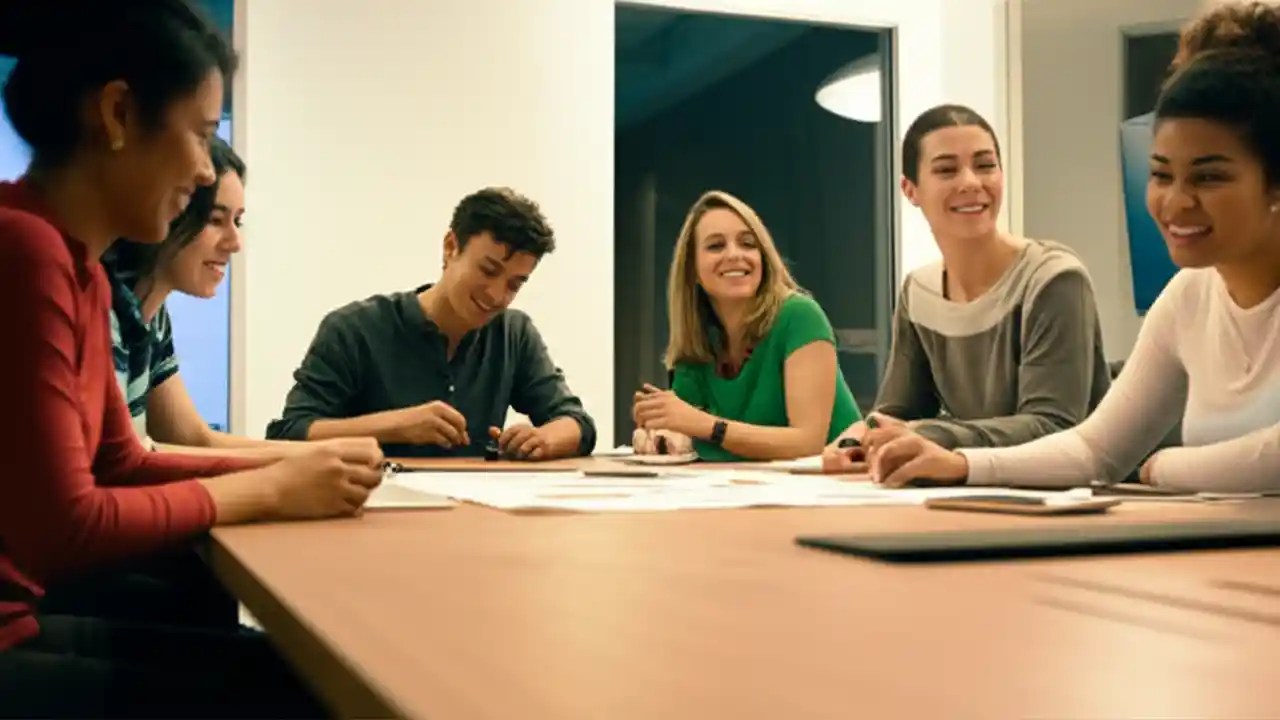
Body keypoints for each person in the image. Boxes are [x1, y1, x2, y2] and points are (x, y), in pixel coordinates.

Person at [0, 1, 382, 716]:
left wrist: (299, 472)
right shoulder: (24, 249)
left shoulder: (81, 272)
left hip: (21, 624)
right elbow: (66, 525)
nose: (206, 170)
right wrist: (271, 490)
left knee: (292, 672)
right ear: (118, 114)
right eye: (202, 136)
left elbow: (122, 462)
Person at [867, 1, 1280, 492]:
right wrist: (961, 464)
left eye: (1209, 177)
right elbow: (1094, 449)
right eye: (1160, 175)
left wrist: (1165, 468)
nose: (1175, 202)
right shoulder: (1188, 298)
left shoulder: (1051, 275)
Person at [823, 104, 1110, 473]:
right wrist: (858, 439)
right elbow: (896, 414)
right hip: (978, 488)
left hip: (1083, 491)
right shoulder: (919, 291)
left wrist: (928, 434)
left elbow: (1053, 426)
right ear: (910, 189)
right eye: (946, 170)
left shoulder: (1053, 279)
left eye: (985, 165)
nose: (971, 182)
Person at [266, 186, 597, 460]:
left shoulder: (514, 333)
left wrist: (545, 439)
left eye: (515, 284)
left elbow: (576, 422)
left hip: (478, 512)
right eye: (488, 270)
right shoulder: (353, 329)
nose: (498, 295)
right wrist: (397, 426)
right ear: (451, 247)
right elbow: (290, 434)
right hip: (370, 510)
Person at [106, 137, 373, 459]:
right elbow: (128, 462)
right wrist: (303, 462)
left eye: (237, 221)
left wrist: (321, 455)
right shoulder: (105, 312)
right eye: (215, 220)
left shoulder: (153, 317)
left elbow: (194, 439)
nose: (235, 243)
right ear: (170, 208)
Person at [632, 190, 861, 462]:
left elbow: (807, 442)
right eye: (716, 246)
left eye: (748, 244)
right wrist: (661, 432)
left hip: (835, 482)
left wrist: (705, 426)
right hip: (742, 485)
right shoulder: (698, 339)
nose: (734, 255)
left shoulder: (800, 316)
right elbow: (688, 430)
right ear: (692, 269)